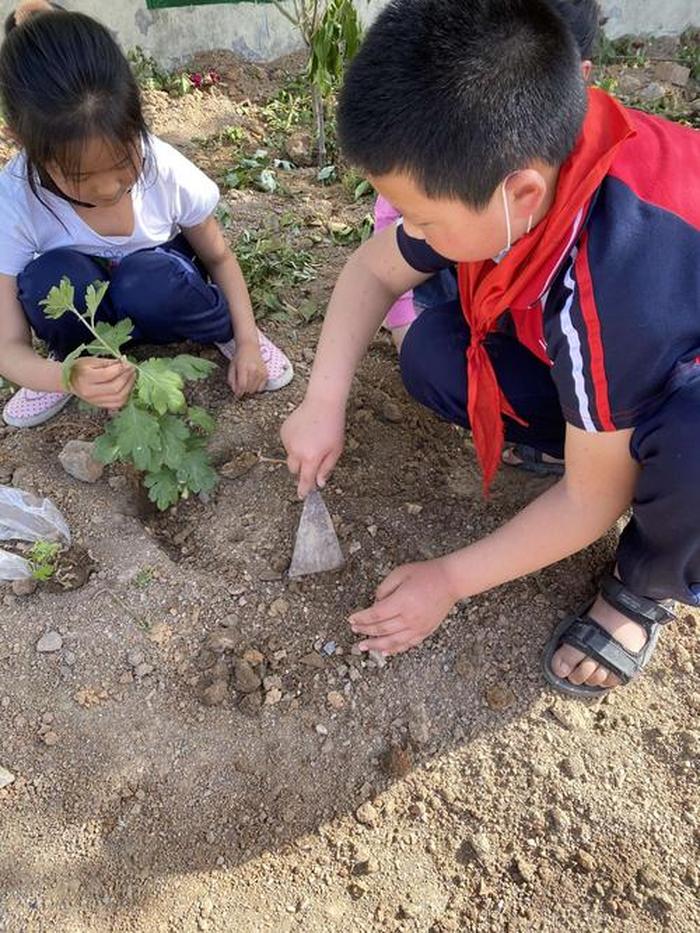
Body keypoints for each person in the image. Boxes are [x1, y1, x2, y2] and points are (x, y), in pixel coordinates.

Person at [281, 0, 700, 698]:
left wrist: (449, 578)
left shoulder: (614, 287)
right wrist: (322, 401)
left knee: (691, 443)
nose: (410, 230)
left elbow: (590, 501)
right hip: (606, 349)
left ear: (521, 193)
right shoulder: (516, 161)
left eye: (422, 218)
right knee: (438, 351)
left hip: (674, 376)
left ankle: (644, 581)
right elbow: (374, 268)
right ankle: (582, 433)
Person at [0, 2, 293, 429]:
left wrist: (246, 339)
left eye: (123, 162)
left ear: (138, 118)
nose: (108, 187)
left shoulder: (165, 169)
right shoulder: (15, 197)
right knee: (48, 279)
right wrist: (65, 377)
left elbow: (219, 258)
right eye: (79, 176)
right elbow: (7, 345)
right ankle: (73, 354)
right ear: (22, 142)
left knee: (148, 281)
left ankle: (221, 330)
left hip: (158, 288)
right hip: (90, 314)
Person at [376, 0, 601, 354]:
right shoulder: (449, 138)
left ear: (579, 76)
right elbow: (388, 243)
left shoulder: (595, 193)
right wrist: (404, 323)